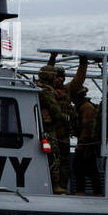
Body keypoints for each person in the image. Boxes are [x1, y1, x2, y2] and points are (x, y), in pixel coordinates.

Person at [37, 62, 71, 194]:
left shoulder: (38, 87)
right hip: (49, 129)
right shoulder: (47, 92)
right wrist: (66, 118)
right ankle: (54, 185)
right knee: (55, 156)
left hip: (40, 127)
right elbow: (55, 112)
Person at [69, 83, 100, 194]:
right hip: (85, 142)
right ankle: (86, 191)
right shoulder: (81, 106)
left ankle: (97, 192)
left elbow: (87, 127)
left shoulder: (86, 107)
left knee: (84, 168)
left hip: (87, 143)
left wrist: (81, 145)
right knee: (83, 168)